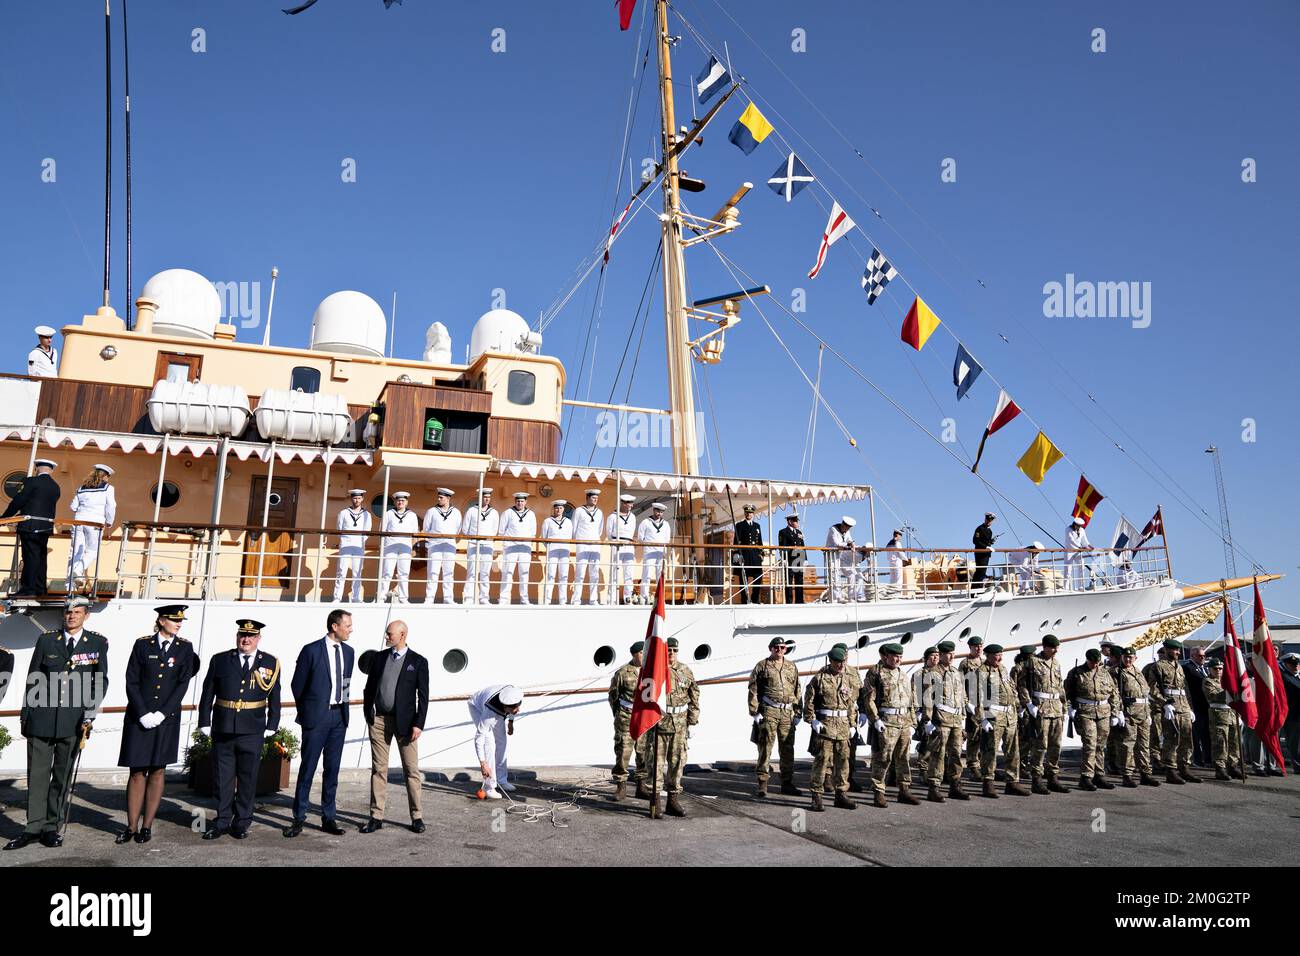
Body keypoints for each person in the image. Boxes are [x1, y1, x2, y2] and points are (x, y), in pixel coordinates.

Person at [4, 596, 108, 851]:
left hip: (73, 721)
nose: (71, 616)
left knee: (61, 777)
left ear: (86, 616)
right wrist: (26, 716)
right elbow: (33, 679)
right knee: (37, 776)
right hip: (42, 717)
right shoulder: (47, 640)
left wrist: (89, 713)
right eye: (68, 612)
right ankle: (32, 827)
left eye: (77, 612)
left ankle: (52, 827)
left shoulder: (96, 643)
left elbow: (99, 681)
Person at [115, 604, 199, 845]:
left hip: (166, 719)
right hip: (138, 718)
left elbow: (182, 684)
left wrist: (162, 713)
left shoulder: (185, 648)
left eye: (181, 620)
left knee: (158, 770)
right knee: (137, 770)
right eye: (174, 620)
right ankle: (131, 826)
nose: (178, 623)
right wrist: (142, 713)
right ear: (161, 621)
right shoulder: (142, 644)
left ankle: (147, 826)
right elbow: (131, 680)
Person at [196, 619, 281, 840]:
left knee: (248, 777)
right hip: (223, 727)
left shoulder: (270, 663)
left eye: (251, 636)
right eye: (242, 635)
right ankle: (222, 820)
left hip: (252, 729)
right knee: (223, 778)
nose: (246, 639)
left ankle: (242, 822)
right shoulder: (221, 660)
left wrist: (273, 724)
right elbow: (207, 693)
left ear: (258, 639)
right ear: (237, 636)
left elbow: (275, 697)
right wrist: (204, 720)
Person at [285, 608, 356, 837]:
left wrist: (343, 712)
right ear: (334, 626)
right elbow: (297, 685)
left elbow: (345, 683)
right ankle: (298, 818)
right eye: (347, 625)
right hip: (316, 718)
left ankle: (329, 817)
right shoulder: (311, 650)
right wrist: (309, 713)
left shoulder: (350, 652)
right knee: (307, 769)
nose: (350, 629)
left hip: (339, 718)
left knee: (332, 771)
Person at [358, 620, 429, 833]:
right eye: (387, 633)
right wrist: (367, 711)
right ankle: (376, 816)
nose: (386, 637)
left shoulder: (418, 662)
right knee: (379, 769)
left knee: (411, 771)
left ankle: (416, 817)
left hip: (406, 725)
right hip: (379, 721)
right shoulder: (379, 658)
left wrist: (419, 724)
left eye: (389, 633)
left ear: (402, 635)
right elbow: (369, 687)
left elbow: (423, 697)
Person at [641, 637, 699, 817]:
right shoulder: (655, 672)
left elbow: (694, 695)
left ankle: (673, 800)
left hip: (680, 725)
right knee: (656, 765)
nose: (671, 653)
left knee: (677, 763)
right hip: (659, 723)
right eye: (668, 650)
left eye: (674, 650)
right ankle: (656, 801)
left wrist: (693, 721)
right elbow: (644, 696)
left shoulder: (685, 671)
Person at [863, 642, 920, 807]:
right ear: (885, 656)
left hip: (903, 722)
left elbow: (910, 701)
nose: (898, 659)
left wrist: (912, 723)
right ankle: (879, 792)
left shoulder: (903, 675)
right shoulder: (876, 673)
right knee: (883, 758)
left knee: (904, 758)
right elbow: (869, 700)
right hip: (887, 722)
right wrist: (875, 720)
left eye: (900, 657)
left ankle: (904, 790)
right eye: (895, 656)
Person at [803, 646, 857, 811]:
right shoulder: (819, 679)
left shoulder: (847, 679)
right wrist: (812, 720)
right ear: (830, 661)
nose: (840, 665)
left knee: (843, 763)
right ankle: (816, 796)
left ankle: (841, 794)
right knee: (821, 762)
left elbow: (850, 705)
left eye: (842, 662)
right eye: (837, 662)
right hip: (825, 725)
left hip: (842, 726)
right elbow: (809, 701)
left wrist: (853, 724)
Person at [747, 637, 801, 797]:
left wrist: (798, 712)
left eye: (782, 647)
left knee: (787, 748)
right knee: (765, 748)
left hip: (786, 713)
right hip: (769, 710)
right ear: (770, 648)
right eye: (776, 647)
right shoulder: (762, 666)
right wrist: (754, 711)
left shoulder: (791, 667)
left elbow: (797, 689)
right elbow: (753, 689)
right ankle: (762, 783)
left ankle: (787, 783)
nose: (779, 650)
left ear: (786, 649)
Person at [974, 643, 1030, 797]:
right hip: (993, 715)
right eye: (996, 655)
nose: (999, 658)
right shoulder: (981, 672)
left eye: (1000, 655)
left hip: (1009, 715)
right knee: (990, 750)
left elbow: (1011, 689)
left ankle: (1012, 782)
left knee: (1013, 750)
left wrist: (1019, 706)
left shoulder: (1003, 669)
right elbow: (977, 697)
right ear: (988, 656)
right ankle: (988, 783)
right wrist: (982, 719)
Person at [1017, 634, 1070, 794]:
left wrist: (1065, 707)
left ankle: (1053, 777)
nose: (1056, 651)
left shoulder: (1056, 663)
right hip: (1040, 709)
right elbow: (1022, 684)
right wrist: (1028, 704)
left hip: (1056, 709)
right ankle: (1037, 779)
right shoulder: (1032, 662)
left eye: (1057, 647)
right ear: (1045, 647)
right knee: (1040, 746)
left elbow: (1060, 687)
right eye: (1053, 648)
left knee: (1056, 746)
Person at [2, 458, 61, 597]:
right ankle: (40, 589)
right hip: (46, 527)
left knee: (30, 557)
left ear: (37, 468)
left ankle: (28, 589)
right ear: (51, 470)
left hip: (30, 526)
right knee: (40, 557)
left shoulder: (31, 481)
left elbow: (19, 500)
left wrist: (5, 517)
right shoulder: (55, 486)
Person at [1065, 649, 1121, 791]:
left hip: (1103, 712)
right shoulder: (1076, 672)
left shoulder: (1105, 672)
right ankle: (1086, 777)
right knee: (1090, 744)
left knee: (1101, 746)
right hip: (1085, 712)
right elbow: (1066, 692)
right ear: (1088, 660)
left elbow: (1114, 694)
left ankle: (1099, 775)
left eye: (1097, 663)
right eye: (1092, 663)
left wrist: (1115, 713)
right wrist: (1070, 708)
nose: (1095, 665)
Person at [922, 640, 970, 802]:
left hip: (956, 719)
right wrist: (927, 720)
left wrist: (963, 716)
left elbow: (961, 696)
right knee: (938, 754)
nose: (952, 656)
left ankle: (955, 785)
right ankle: (934, 788)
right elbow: (928, 697)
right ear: (941, 654)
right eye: (949, 654)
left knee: (956, 753)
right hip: (941, 720)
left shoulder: (956, 672)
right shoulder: (932, 672)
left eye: (953, 653)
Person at [1149, 638, 1200, 784]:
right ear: (1166, 650)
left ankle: (1184, 768)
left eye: (1178, 650)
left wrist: (1190, 708)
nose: (1177, 652)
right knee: (1172, 739)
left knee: (1186, 739)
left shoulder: (1178, 666)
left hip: (1183, 706)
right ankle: (1170, 771)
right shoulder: (1158, 666)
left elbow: (1185, 690)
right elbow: (1152, 689)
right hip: (1171, 707)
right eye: (1174, 650)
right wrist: (1164, 704)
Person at [1112, 646, 1161, 787]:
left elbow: (1145, 693)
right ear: (1121, 657)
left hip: (1143, 713)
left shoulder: (1138, 671)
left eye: (1130, 657)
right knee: (1127, 745)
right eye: (1125, 657)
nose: (1128, 659)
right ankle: (1127, 775)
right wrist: (1118, 711)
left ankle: (1145, 773)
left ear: (1135, 658)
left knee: (1144, 745)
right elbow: (1114, 694)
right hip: (1129, 713)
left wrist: (1149, 712)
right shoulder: (1116, 672)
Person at [66, 463, 116, 591]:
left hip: (78, 521)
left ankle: (69, 586)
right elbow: (111, 506)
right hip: (95, 523)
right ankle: (78, 571)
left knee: (76, 551)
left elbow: (73, 507)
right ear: (106, 476)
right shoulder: (108, 488)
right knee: (92, 552)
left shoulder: (82, 488)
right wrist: (109, 521)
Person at [469, 684, 523, 799]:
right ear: (505, 706)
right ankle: (489, 786)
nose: (518, 710)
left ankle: (502, 780)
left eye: (518, 705)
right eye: (514, 708)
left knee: (502, 740)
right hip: (477, 707)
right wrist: (483, 764)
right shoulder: (489, 712)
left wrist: (510, 722)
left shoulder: (513, 694)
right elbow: (479, 737)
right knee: (488, 743)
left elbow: (514, 708)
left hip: (497, 708)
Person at [609, 641, 645, 800]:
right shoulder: (623, 672)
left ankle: (641, 786)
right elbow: (613, 696)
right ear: (634, 654)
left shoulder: (651, 671)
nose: (643, 655)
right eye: (641, 653)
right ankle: (621, 786)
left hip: (643, 716)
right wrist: (618, 715)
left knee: (643, 752)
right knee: (623, 751)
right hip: (625, 716)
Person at [1201, 658, 1243, 781]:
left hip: (1231, 713)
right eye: (1215, 668)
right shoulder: (1208, 681)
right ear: (1210, 669)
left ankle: (1233, 766)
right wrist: (1230, 690)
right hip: (1218, 715)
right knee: (1220, 742)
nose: (1218, 671)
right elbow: (1214, 696)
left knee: (1234, 742)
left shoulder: (1227, 681)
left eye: (1220, 668)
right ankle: (1220, 768)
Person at [460, 488, 499, 605]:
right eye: (484, 497)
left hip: (487, 545)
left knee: (485, 573)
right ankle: (468, 598)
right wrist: (474, 538)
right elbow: (465, 529)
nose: (486, 499)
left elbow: (494, 530)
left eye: (488, 497)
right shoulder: (471, 511)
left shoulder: (494, 512)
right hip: (473, 544)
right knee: (471, 572)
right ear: (480, 498)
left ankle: (484, 598)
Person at [332, 489, 372, 603]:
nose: (357, 500)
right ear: (351, 499)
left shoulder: (366, 515)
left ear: (362, 499)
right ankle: (337, 597)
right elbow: (339, 528)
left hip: (359, 545)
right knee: (341, 570)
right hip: (345, 544)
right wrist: (345, 539)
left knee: (357, 571)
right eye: (354, 498)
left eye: (359, 498)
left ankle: (356, 597)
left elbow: (367, 530)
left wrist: (359, 540)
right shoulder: (344, 512)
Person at [422, 487, 460, 605]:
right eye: (438, 497)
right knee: (433, 572)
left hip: (449, 545)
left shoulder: (456, 512)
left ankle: (448, 598)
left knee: (449, 572)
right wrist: (433, 541)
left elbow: (458, 529)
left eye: (441, 497)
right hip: (435, 545)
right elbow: (426, 528)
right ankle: (429, 598)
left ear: (448, 498)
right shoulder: (431, 511)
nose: (439, 499)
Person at [378, 492, 418, 603]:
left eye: (403, 501)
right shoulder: (388, 514)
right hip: (390, 546)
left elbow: (415, 532)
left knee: (404, 573)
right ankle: (381, 597)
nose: (400, 502)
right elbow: (382, 530)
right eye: (398, 500)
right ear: (395, 502)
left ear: (407, 502)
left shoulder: (412, 515)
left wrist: (413, 548)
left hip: (405, 547)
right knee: (387, 572)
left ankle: (403, 598)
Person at [498, 492, 536, 606]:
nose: (520, 503)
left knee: (524, 574)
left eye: (522, 501)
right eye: (518, 501)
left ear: (526, 502)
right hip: (510, 548)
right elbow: (501, 531)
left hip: (525, 549)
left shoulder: (531, 514)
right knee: (507, 573)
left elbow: (533, 532)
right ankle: (504, 599)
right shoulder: (508, 513)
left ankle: (524, 599)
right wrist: (506, 544)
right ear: (515, 501)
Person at [571, 489, 604, 605]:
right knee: (580, 572)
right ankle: (576, 599)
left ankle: (593, 599)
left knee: (594, 573)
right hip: (582, 544)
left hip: (595, 545)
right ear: (587, 498)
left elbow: (600, 530)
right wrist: (578, 541)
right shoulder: (579, 511)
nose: (595, 500)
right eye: (593, 498)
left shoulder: (599, 512)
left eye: (596, 498)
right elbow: (574, 528)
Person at [958, 635, 984, 778]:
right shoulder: (965, 664)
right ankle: (973, 765)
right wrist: (966, 702)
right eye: (976, 647)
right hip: (973, 704)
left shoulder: (985, 662)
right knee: (974, 735)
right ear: (970, 648)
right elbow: (961, 685)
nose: (979, 649)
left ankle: (983, 764)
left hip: (985, 703)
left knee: (985, 736)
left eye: (980, 646)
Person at [1182, 645, 1212, 768]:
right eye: (1200, 656)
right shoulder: (1187, 668)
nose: (1202, 658)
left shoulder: (1204, 669)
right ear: (1192, 656)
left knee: (1206, 735)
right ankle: (1197, 759)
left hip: (1206, 707)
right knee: (1196, 735)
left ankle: (1208, 759)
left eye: (1204, 656)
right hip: (1195, 706)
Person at [637, 502, 672, 602]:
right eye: (657, 511)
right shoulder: (645, 522)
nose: (659, 514)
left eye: (661, 512)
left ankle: (659, 597)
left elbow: (667, 540)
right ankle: (644, 596)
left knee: (660, 575)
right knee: (647, 574)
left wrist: (665, 553)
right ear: (653, 510)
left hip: (660, 552)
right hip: (649, 551)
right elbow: (640, 538)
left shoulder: (666, 524)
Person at [605, 494, 637, 605]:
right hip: (616, 543)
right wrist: (614, 542)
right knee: (614, 572)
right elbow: (609, 533)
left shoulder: (632, 517)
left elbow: (632, 531)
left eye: (631, 503)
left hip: (629, 544)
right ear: (623, 503)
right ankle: (612, 599)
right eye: (629, 503)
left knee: (629, 573)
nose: (631, 505)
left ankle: (628, 598)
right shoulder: (612, 516)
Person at [541, 500, 573, 606]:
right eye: (556, 508)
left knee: (563, 575)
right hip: (552, 550)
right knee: (550, 575)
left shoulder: (568, 522)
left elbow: (570, 536)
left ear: (563, 509)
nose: (558, 510)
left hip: (564, 550)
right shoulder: (548, 521)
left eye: (560, 508)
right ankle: (547, 600)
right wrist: (551, 547)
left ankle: (562, 600)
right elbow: (544, 537)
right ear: (553, 509)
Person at [733, 504, 764, 604]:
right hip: (744, 555)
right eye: (747, 512)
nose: (749, 514)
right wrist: (737, 553)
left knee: (758, 576)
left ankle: (755, 598)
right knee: (743, 578)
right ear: (745, 513)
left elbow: (760, 542)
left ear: (753, 514)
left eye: (750, 513)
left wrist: (761, 553)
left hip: (755, 556)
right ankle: (744, 600)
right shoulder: (740, 525)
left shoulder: (757, 526)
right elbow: (736, 541)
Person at [824, 516, 857, 603]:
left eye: (849, 528)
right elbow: (836, 543)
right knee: (834, 575)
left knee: (850, 574)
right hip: (831, 555)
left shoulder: (847, 531)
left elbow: (850, 540)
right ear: (843, 524)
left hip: (840, 555)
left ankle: (851, 597)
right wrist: (848, 544)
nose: (847, 530)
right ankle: (836, 598)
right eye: (846, 527)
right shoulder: (833, 529)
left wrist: (852, 543)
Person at [777, 514, 806, 604]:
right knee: (789, 580)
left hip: (799, 558)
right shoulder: (783, 532)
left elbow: (803, 546)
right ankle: (789, 601)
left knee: (799, 580)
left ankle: (799, 600)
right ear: (790, 521)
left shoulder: (799, 532)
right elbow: (782, 546)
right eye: (795, 521)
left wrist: (805, 558)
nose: (797, 523)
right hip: (789, 559)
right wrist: (784, 558)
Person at [1282, 653, 1300, 772]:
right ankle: (1298, 766)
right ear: (1286, 664)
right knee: (1295, 743)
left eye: (1297, 664)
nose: (1296, 667)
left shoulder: (1298, 676)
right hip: (1294, 715)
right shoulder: (1284, 678)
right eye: (1292, 664)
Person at [1065, 517, 1091, 590]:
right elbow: (1071, 540)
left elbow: (1084, 541)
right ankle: (1066, 587)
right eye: (1077, 525)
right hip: (1069, 551)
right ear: (1074, 524)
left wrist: (1089, 546)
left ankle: (1081, 586)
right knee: (1068, 570)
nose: (1078, 527)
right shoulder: (1068, 529)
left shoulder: (1082, 530)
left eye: (1080, 526)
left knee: (1081, 568)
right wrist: (1081, 548)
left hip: (1078, 552)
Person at [971, 512, 995, 584]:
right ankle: (974, 590)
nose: (988, 522)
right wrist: (986, 547)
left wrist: (991, 542)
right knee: (980, 572)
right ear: (985, 519)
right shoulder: (980, 528)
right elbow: (975, 541)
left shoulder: (989, 531)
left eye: (990, 521)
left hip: (986, 554)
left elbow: (986, 541)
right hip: (980, 554)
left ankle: (977, 589)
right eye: (987, 520)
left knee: (982, 572)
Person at [883, 528, 908, 594]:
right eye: (900, 536)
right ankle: (897, 593)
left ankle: (891, 593)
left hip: (891, 563)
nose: (901, 538)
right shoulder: (897, 543)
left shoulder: (889, 543)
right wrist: (906, 559)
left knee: (892, 579)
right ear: (897, 535)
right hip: (897, 562)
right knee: (898, 579)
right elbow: (901, 553)